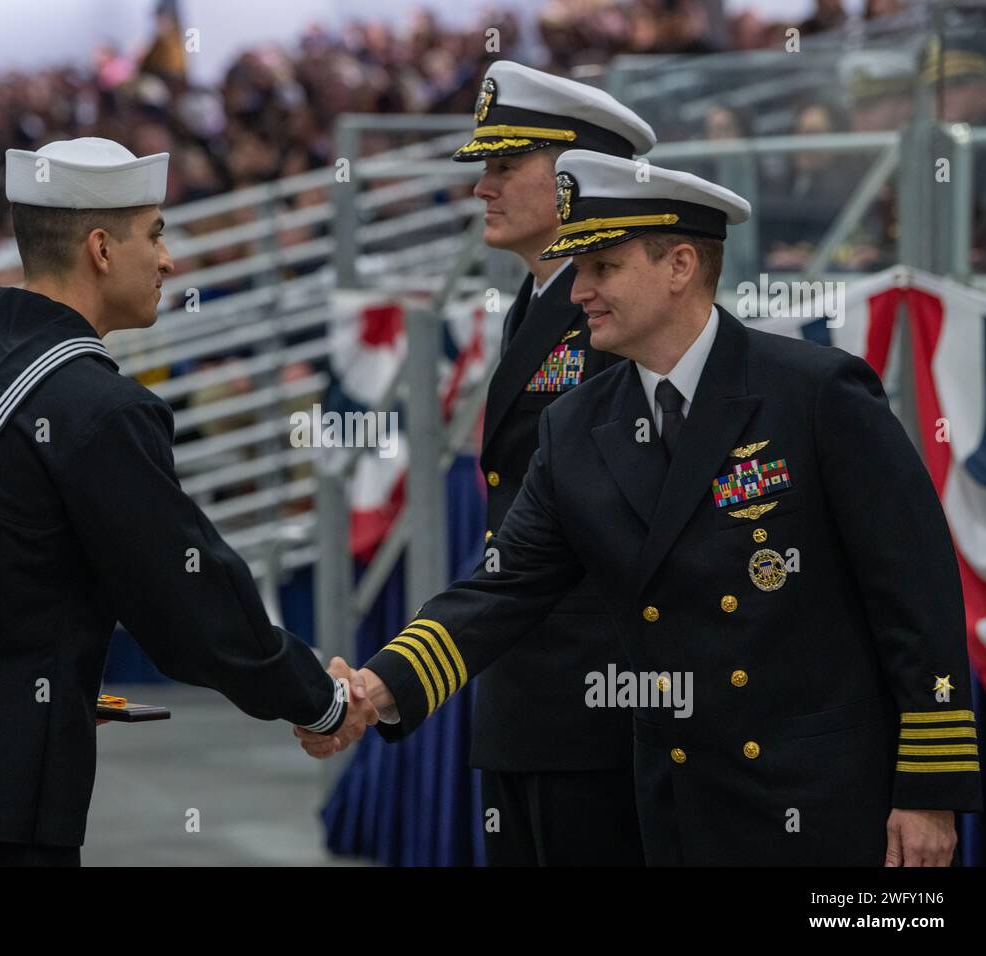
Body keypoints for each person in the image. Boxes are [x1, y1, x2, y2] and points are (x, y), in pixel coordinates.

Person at [300, 151, 983, 866]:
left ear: (680, 265)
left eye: (603, 268)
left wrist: (929, 787)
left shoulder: (815, 395)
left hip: (822, 801)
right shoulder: (577, 427)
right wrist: (373, 690)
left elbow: (916, 596)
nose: (579, 293)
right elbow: (502, 590)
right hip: (679, 805)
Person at [0, 137, 374, 867]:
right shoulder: (97, 408)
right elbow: (191, 605)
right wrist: (317, 698)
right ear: (101, 248)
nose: (169, 261)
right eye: (156, 234)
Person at [447, 60, 656, 866]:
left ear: (574, 178)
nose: (483, 188)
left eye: (506, 167)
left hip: (593, 703)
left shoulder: (615, 313)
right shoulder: (536, 305)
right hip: (530, 694)